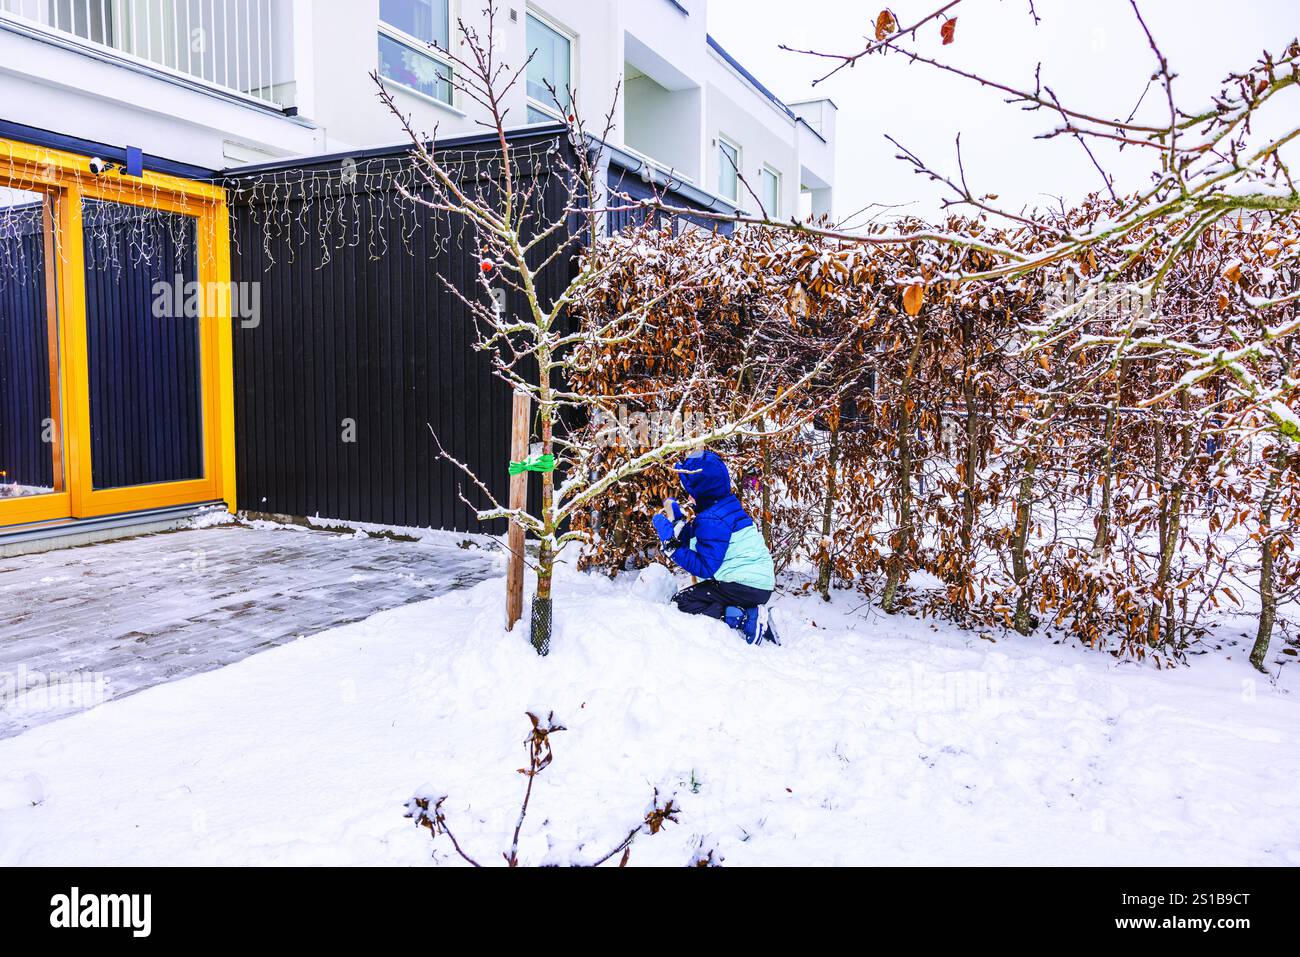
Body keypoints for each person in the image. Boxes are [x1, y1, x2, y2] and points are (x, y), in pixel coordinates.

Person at [651, 449, 778, 645]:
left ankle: (747, 618)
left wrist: (671, 546)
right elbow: (704, 541)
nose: (690, 498)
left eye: (691, 492)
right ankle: (749, 612)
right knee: (702, 594)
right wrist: (679, 525)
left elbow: (705, 567)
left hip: (744, 587)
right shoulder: (726, 507)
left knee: (683, 603)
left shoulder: (712, 519)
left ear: (702, 491)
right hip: (757, 585)